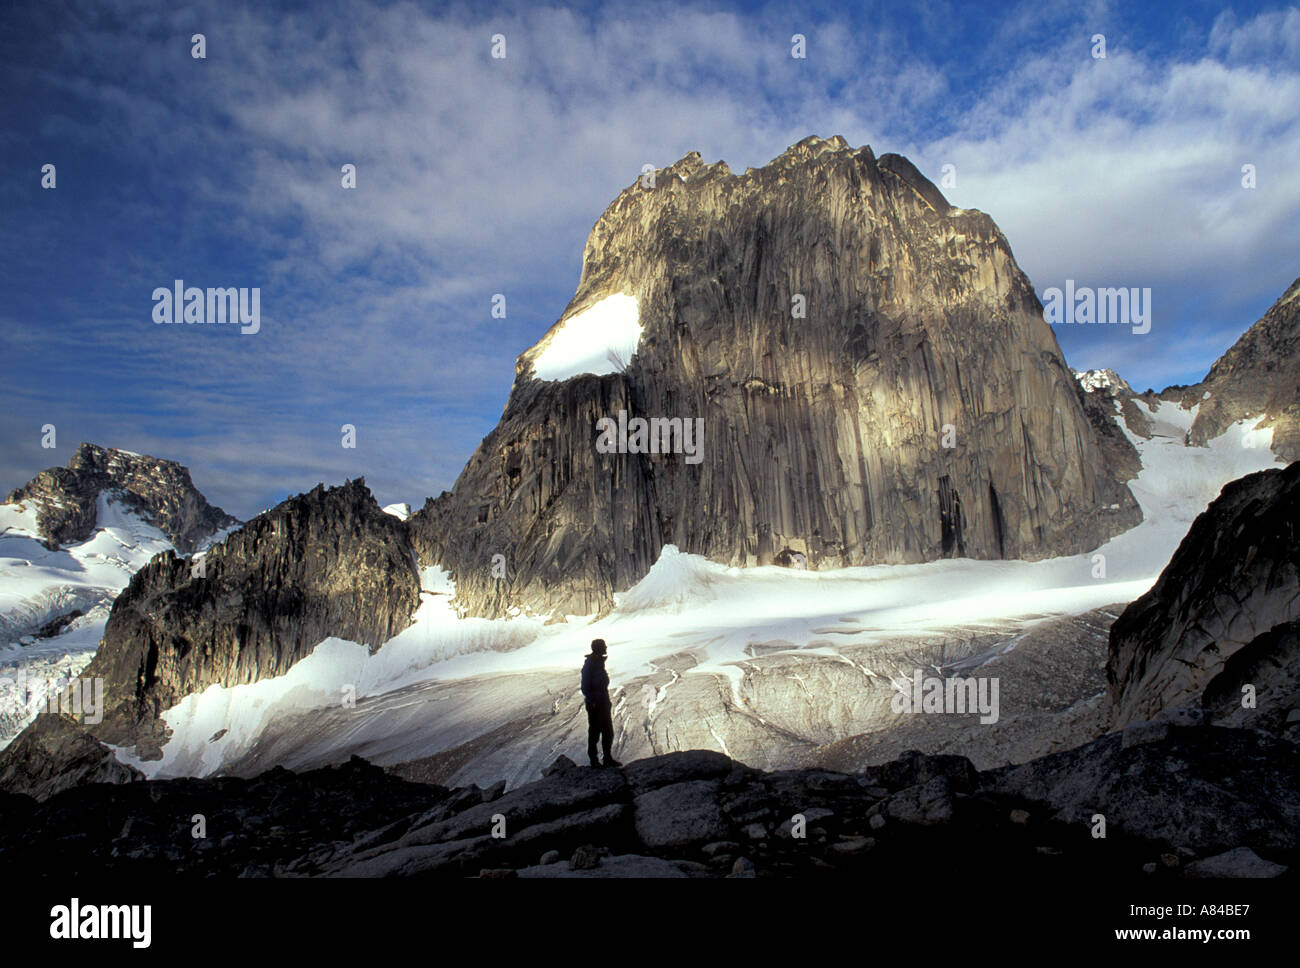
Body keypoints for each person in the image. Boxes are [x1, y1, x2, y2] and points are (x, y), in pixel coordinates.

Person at [581, 639, 621, 768]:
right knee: (595, 732)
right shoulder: (591, 664)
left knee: (607, 731)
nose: (606, 648)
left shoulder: (597, 662)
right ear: (598, 648)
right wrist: (593, 701)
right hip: (596, 704)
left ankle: (607, 758)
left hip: (602, 702)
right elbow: (585, 686)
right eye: (604, 646)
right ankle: (594, 761)